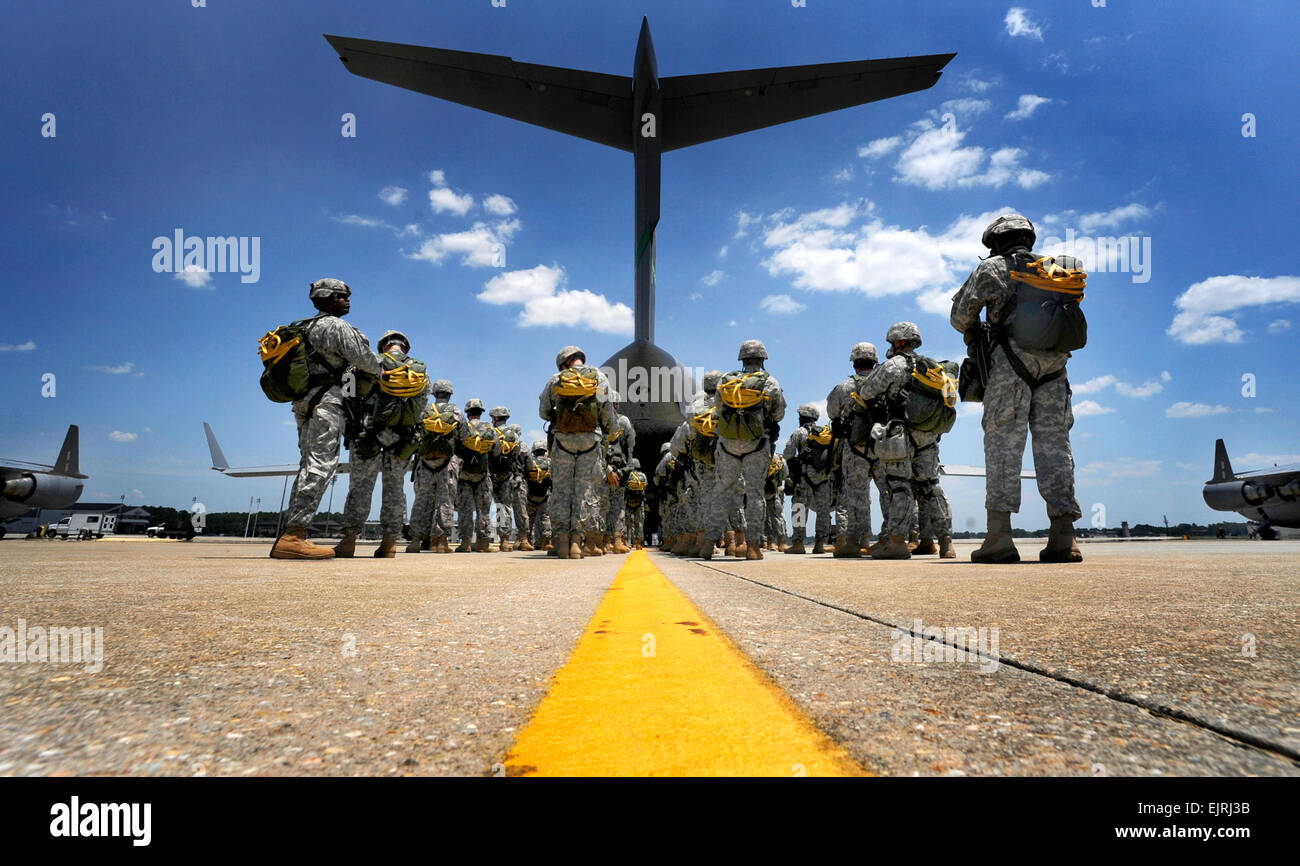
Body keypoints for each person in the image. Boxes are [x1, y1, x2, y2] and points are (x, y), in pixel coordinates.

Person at [951, 213, 1085, 563]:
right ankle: (1064, 537)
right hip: (1056, 369)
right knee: (1056, 449)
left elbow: (960, 317)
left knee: (1003, 448)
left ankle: (1000, 537)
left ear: (995, 241)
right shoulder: (1053, 269)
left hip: (1011, 365)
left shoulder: (992, 268)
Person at [271, 278, 381, 560]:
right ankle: (294, 535)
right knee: (321, 464)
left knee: (308, 463)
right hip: (328, 402)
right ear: (329, 298)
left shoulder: (303, 327)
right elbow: (367, 362)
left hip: (304, 401)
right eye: (343, 296)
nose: (348, 300)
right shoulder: (336, 326)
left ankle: (292, 533)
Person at [852, 322, 956, 560]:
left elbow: (866, 392)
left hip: (900, 434)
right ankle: (946, 543)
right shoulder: (930, 367)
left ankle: (897, 542)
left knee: (900, 486)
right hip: (928, 436)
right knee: (931, 487)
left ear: (897, 342)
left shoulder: (893, 365)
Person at [336, 330, 429, 557]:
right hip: (401, 437)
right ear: (405, 347)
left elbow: (347, 392)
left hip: (368, 432)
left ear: (383, 346)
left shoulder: (369, 362)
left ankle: (349, 541)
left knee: (360, 486)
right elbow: (422, 408)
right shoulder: (419, 371)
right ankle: (389, 543)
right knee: (395, 489)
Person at [700, 340, 785, 560]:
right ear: (763, 359)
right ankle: (753, 547)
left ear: (742, 359)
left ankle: (708, 545)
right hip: (756, 443)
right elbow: (778, 414)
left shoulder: (726, 381)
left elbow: (718, 408)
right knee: (755, 493)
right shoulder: (770, 382)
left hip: (728, 444)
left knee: (721, 492)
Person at [539, 345, 617, 559]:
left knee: (562, 492)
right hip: (591, 441)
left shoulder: (556, 379)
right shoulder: (600, 378)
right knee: (585, 493)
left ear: (564, 362)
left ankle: (562, 543)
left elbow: (544, 412)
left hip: (563, 440)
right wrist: (608, 432)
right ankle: (576, 543)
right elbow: (607, 411)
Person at [828, 342, 883, 558]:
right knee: (888, 490)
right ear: (874, 360)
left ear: (854, 363)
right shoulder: (884, 381)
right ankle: (889, 537)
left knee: (856, 493)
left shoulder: (843, 387)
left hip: (855, 445)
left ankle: (855, 540)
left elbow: (833, 411)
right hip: (884, 444)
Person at [407, 379, 462, 553]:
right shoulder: (456, 411)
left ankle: (416, 540)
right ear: (450, 394)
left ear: (435, 394)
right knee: (445, 501)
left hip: (425, 461)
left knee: (421, 500)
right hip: (447, 463)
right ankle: (441, 542)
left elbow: (415, 435)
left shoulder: (424, 411)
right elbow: (464, 435)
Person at [782, 404, 835, 555]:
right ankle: (820, 544)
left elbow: (788, 454)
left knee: (799, 508)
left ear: (803, 418)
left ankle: (798, 543)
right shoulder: (826, 433)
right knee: (823, 511)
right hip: (824, 478)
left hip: (804, 478)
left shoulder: (799, 432)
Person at [455, 399, 498, 552]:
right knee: (483, 509)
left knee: (464, 509)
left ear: (467, 413)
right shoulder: (489, 429)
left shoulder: (463, 427)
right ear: (481, 412)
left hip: (464, 473)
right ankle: (483, 543)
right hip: (482, 473)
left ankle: (465, 543)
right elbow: (497, 451)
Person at [487, 407, 529, 552]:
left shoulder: (491, 432)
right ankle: (505, 541)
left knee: (485, 506)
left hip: (490, 475)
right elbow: (517, 455)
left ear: (496, 418)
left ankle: (484, 539)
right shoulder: (514, 436)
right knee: (504, 507)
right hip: (507, 475)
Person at [525, 440, 553, 551]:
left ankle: (527, 541)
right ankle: (546, 542)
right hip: (545, 496)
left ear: (534, 451)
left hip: (530, 496)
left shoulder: (530, 462)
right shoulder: (550, 462)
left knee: (529, 519)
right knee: (546, 518)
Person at [763, 453, 789, 551]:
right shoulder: (779, 459)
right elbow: (784, 476)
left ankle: (764, 542)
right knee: (777, 516)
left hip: (756, 490)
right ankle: (781, 543)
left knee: (760, 517)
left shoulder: (754, 454)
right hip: (773, 491)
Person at [624, 458, 648, 549]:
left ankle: (627, 541)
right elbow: (645, 487)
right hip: (639, 501)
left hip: (628, 501)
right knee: (639, 522)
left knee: (627, 522)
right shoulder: (643, 476)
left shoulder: (628, 475)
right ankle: (639, 543)